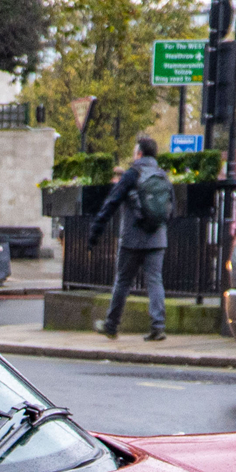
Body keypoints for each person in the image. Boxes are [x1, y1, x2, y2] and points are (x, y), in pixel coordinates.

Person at [89, 137, 171, 342]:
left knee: (123, 281)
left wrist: (96, 230)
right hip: (157, 239)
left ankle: (111, 325)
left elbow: (112, 202)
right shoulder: (162, 175)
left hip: (132, 239)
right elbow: (172, 208)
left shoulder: (132, 174)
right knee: (155, 281)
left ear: (140, 153)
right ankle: (158, 326)